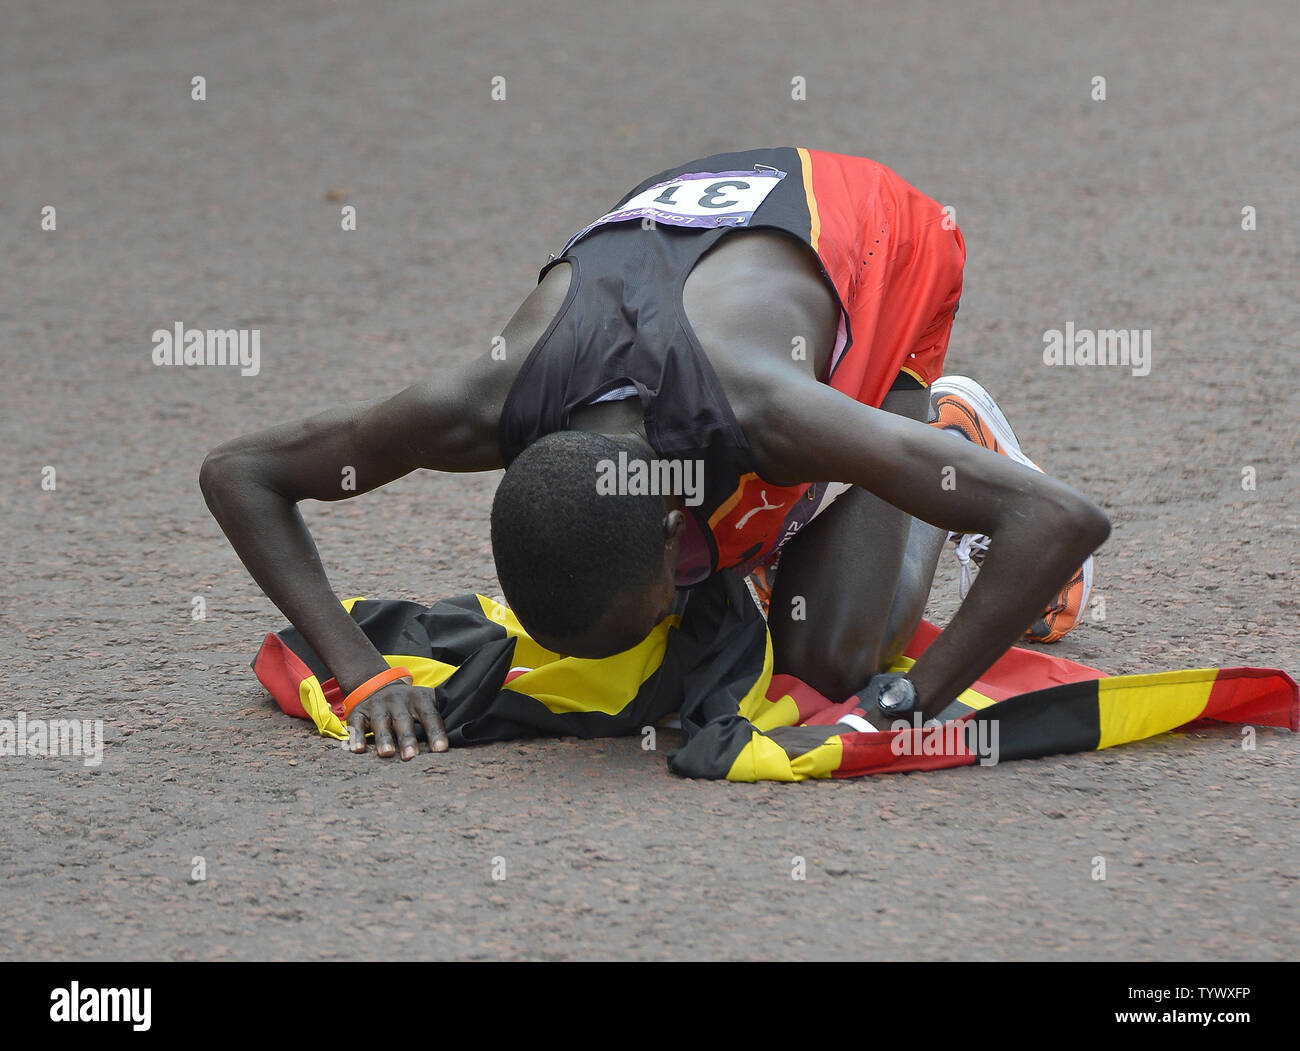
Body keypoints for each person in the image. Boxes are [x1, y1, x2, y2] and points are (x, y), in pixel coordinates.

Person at [201, 147, 1109, 760]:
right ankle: (760, 535)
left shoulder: (768, 406)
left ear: (676, 517)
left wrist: (905, 711)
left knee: (830, 661)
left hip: (873, 230)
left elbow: (1060, 520)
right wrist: (361, 673)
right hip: (695, 243)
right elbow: (241, 472)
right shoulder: (470, 407)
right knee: (727, 575)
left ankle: (936, 425)